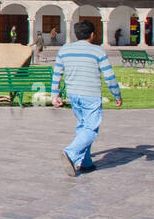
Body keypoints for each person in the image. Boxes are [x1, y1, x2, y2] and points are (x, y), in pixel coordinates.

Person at [52, 20, 122, 176]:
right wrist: (117, 95)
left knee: (83, 126)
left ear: (76, 34)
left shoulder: (64, 50)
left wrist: (54, 95)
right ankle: (70, 153)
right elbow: (109, 76)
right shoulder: (98, 51)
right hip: (90, 95)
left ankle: (85, 162)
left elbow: (57, 74)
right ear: (92, 34)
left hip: (73, 94)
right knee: (91, 129)